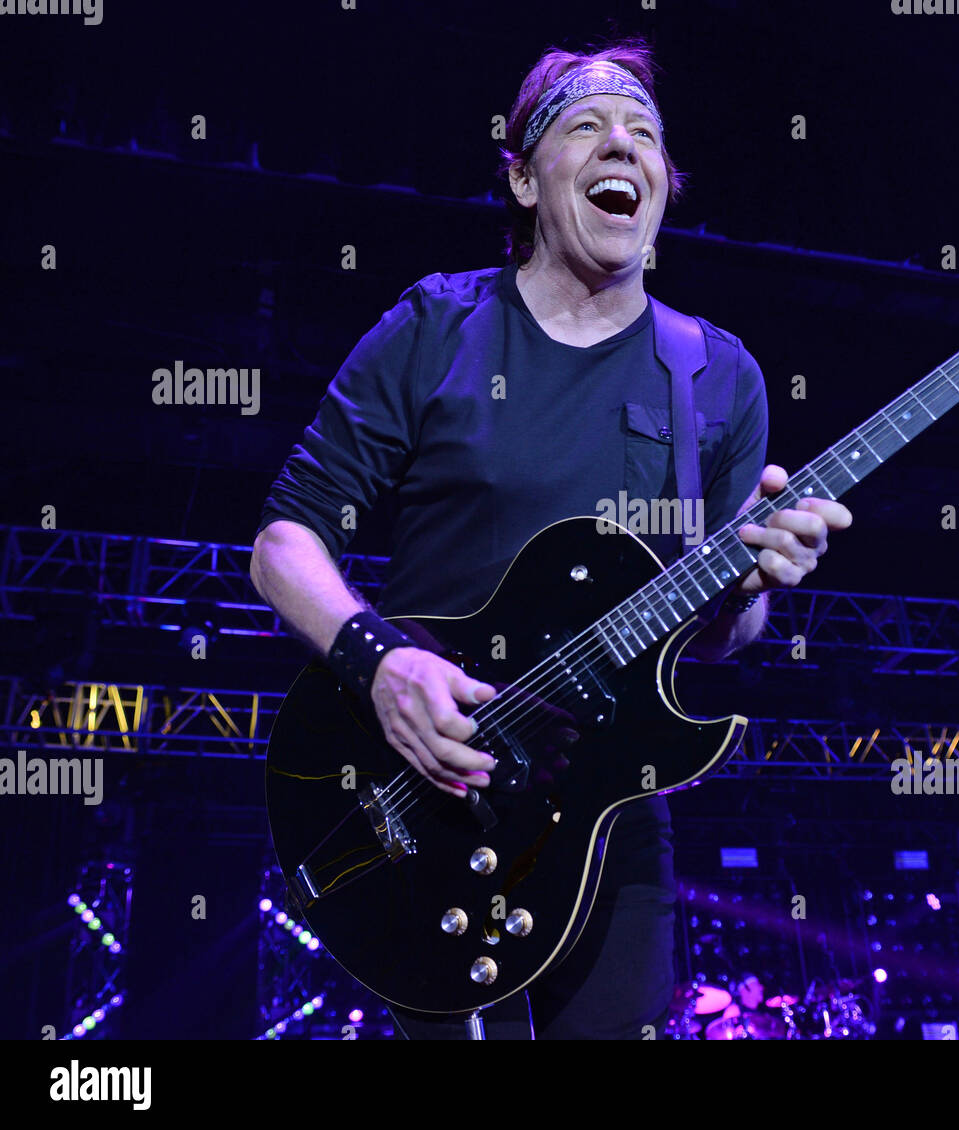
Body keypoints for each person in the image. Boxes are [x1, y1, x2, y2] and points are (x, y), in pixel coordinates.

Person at [250, 37, 851, 1040]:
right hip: (427, 792)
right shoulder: (434, 326)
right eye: (587, 126)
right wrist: (382, 661)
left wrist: (750, 587)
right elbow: (282, 545)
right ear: (525, 178)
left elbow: (721, 637)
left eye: (645, 135)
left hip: (611, 803)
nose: (623, 145)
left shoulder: (714, 374)